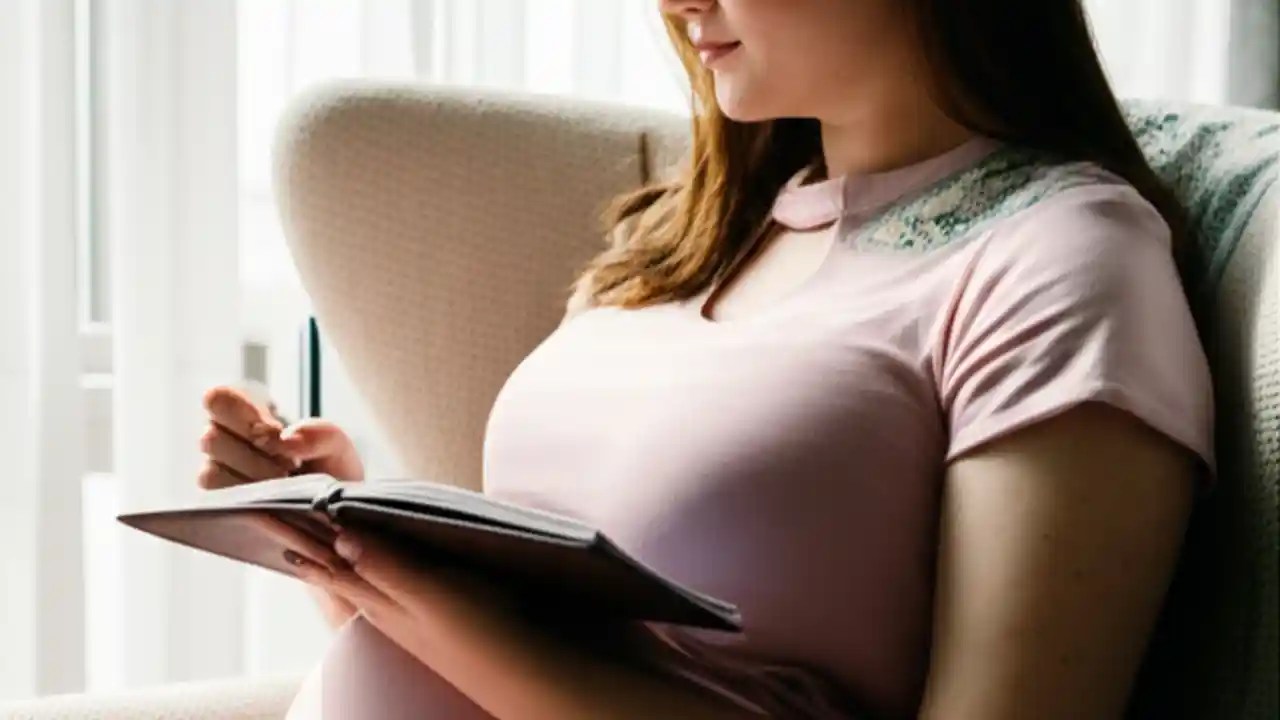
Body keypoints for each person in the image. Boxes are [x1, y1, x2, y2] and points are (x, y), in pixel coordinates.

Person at [199, 0, 1215, 717]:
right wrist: (346, 550)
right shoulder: (684, 241)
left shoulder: (1059, 262)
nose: (674, 2)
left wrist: (457, 626)